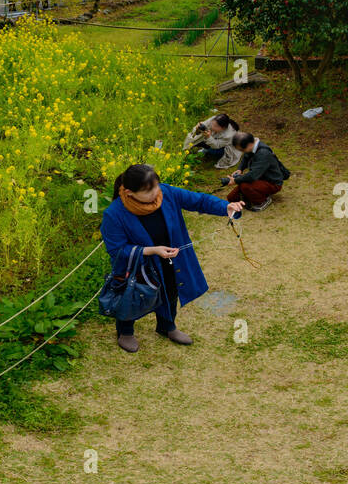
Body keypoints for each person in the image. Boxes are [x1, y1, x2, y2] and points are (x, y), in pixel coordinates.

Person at [101, 163, 246, 353]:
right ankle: (125, 332)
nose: (155, 192)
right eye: (148, 190)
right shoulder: (114, 214)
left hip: (168, 258)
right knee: (132, 295)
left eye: (156, 186)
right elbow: (117, 249)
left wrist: (225, 207)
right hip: (136, 265)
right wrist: (151, 250)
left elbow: (198, 200)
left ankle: (167, 326)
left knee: (170, 291)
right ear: (129, 192)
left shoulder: (166, 193)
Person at [221, 132, 288, 209]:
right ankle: (255, 193)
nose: (242, 151)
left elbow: (252, 176)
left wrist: (235, 180)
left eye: (242, 149)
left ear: (249, 144)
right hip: (259, 178)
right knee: (231, 198)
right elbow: (246, 157)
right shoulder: (252, 147)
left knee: (244, 186)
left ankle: (263, 202)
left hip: (272, 182)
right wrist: (240, 169)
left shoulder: (263, 153)